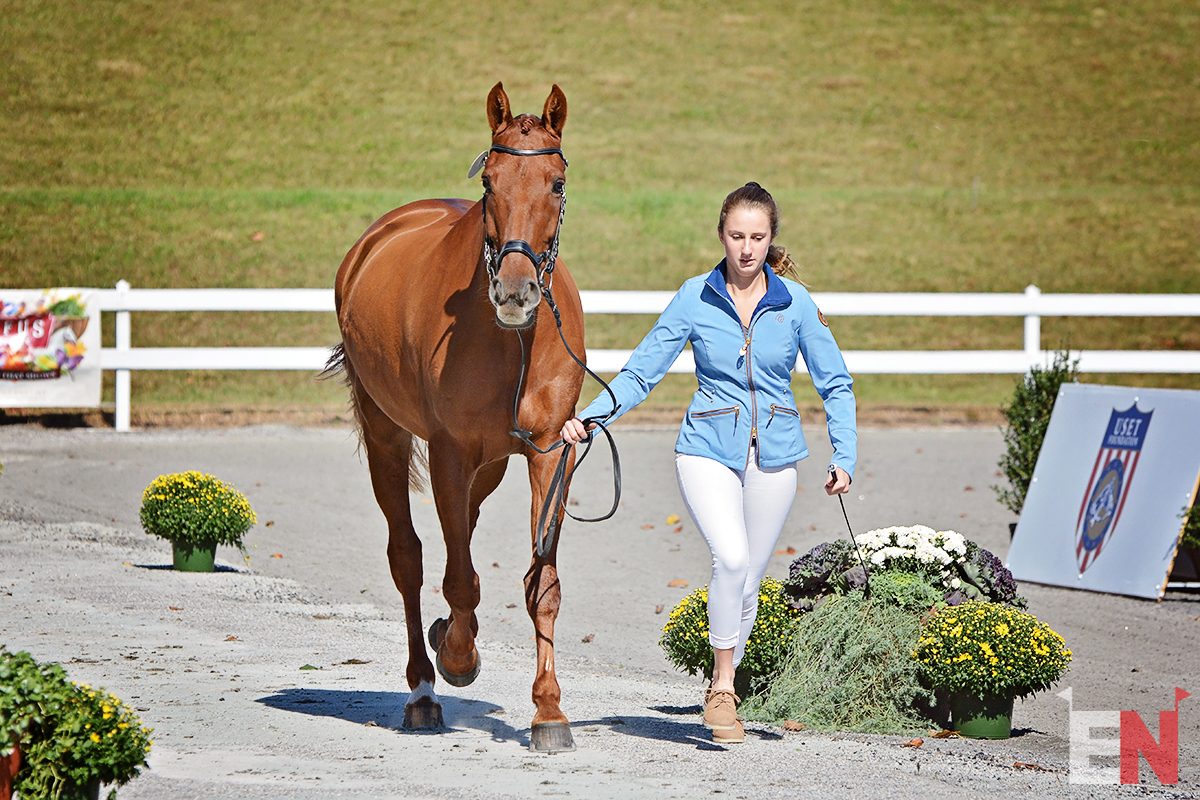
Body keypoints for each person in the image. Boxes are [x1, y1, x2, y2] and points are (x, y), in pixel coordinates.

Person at [561, 182, 856, 744]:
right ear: (721, 235)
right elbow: (643, 369)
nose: (747, 248)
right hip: (705, 450)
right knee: (732, 556)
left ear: (772, 239)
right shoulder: (694, 296)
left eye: (758, 237)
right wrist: (594, 416)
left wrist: (845, 453)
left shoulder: (794, 304)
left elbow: (835, 382)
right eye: (737, 235)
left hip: (776, 456)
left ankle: (724, 687)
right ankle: (724, 686)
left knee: (747, 582)